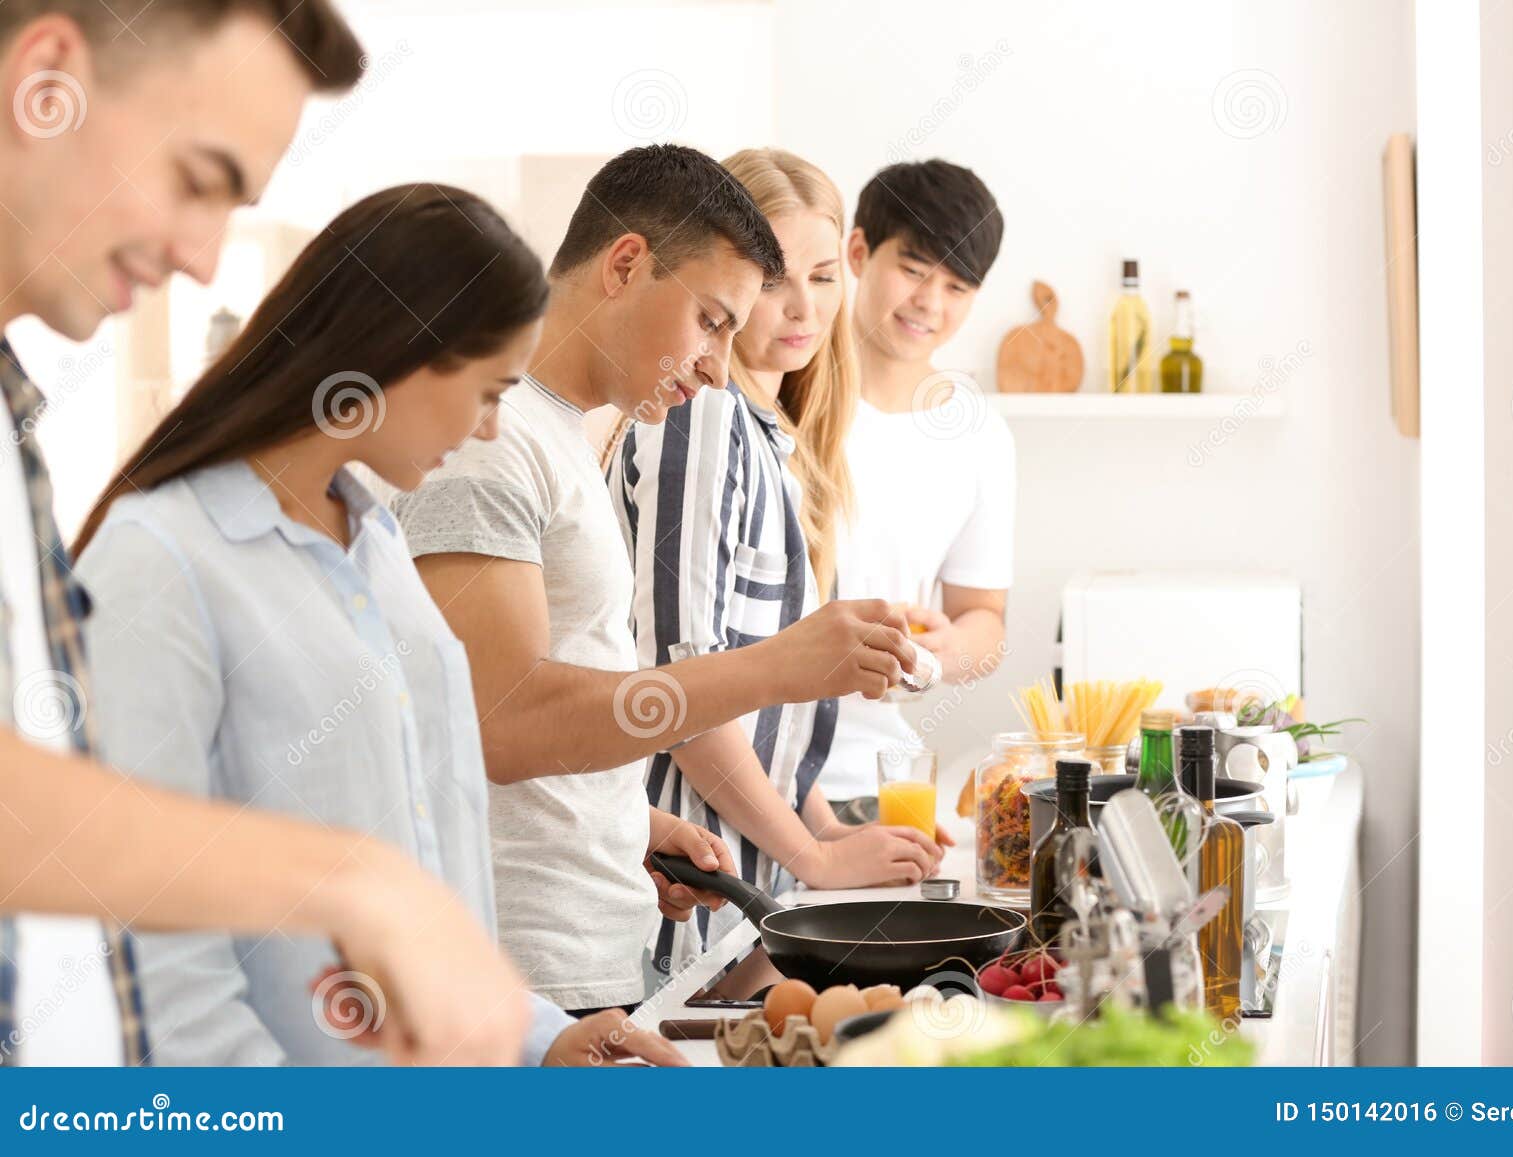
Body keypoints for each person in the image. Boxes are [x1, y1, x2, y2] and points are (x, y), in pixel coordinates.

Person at [0, 0, 527, 1067]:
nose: (204, 260)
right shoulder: (161, 552)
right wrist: (344, 879)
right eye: (197, 178)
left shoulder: (20, 432)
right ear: (45, 77)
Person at [72, 184, 686, 1067]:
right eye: (487, 391)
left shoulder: (378, 546)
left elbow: (427, 856)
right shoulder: (161, 559)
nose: (488, 429)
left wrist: (541, 1034)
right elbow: (150, 956)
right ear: (399, 351)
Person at [390, 144, 921, 1011]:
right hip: (524, 974)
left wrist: (627, 821)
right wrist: (782, 666)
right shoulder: (492, 444)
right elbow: (506, 723)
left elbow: (532, 710)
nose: (718, 364)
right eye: (711, 320)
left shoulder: (560, 435)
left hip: (587, 955)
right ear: (626, 264)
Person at [608, 148, 949, 969]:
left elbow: (764, 708)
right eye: (773, 280)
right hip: (686, 903)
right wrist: (816, 856)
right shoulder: (702, 419)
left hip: (742, 893)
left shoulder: (770, 439)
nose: (805, 307)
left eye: (825, 277)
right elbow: (681, 686)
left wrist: (827, 829)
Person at [816, 159, 1016, 812]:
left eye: (957, 286)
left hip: (881, 782)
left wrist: (943, 652)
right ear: (857, 251)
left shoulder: (979, 437)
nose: (931, 303)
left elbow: (984, 618)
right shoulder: (787, 398)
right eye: (913, 270)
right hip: (754, 769)